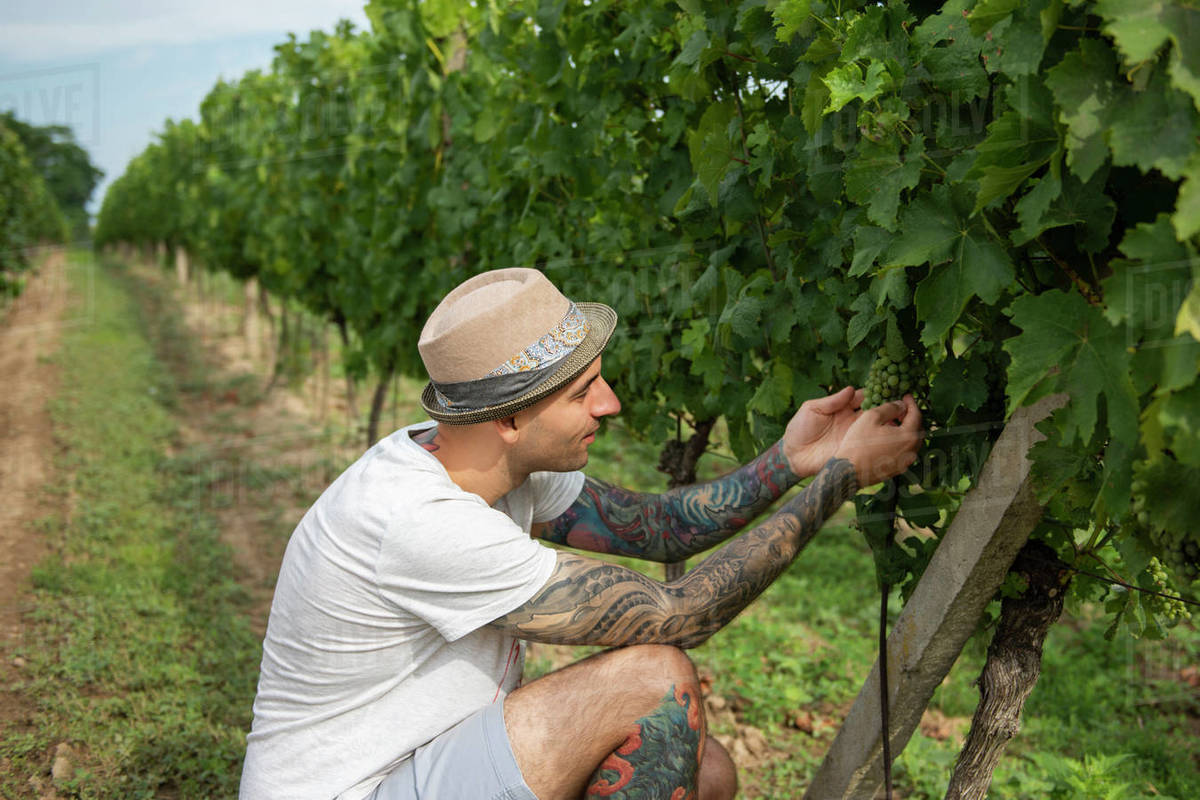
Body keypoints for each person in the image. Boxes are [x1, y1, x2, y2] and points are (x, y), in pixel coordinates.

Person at [239, 268, 923, 800]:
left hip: (418, 765)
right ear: (507, 419)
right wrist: (839, 479)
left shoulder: (485, 462)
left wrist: (792, 462)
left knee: (704, 774)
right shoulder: (415, 519)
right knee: (657, 681)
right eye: (580, 393)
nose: (610, 404)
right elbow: (676, 616)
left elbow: (659, 526)